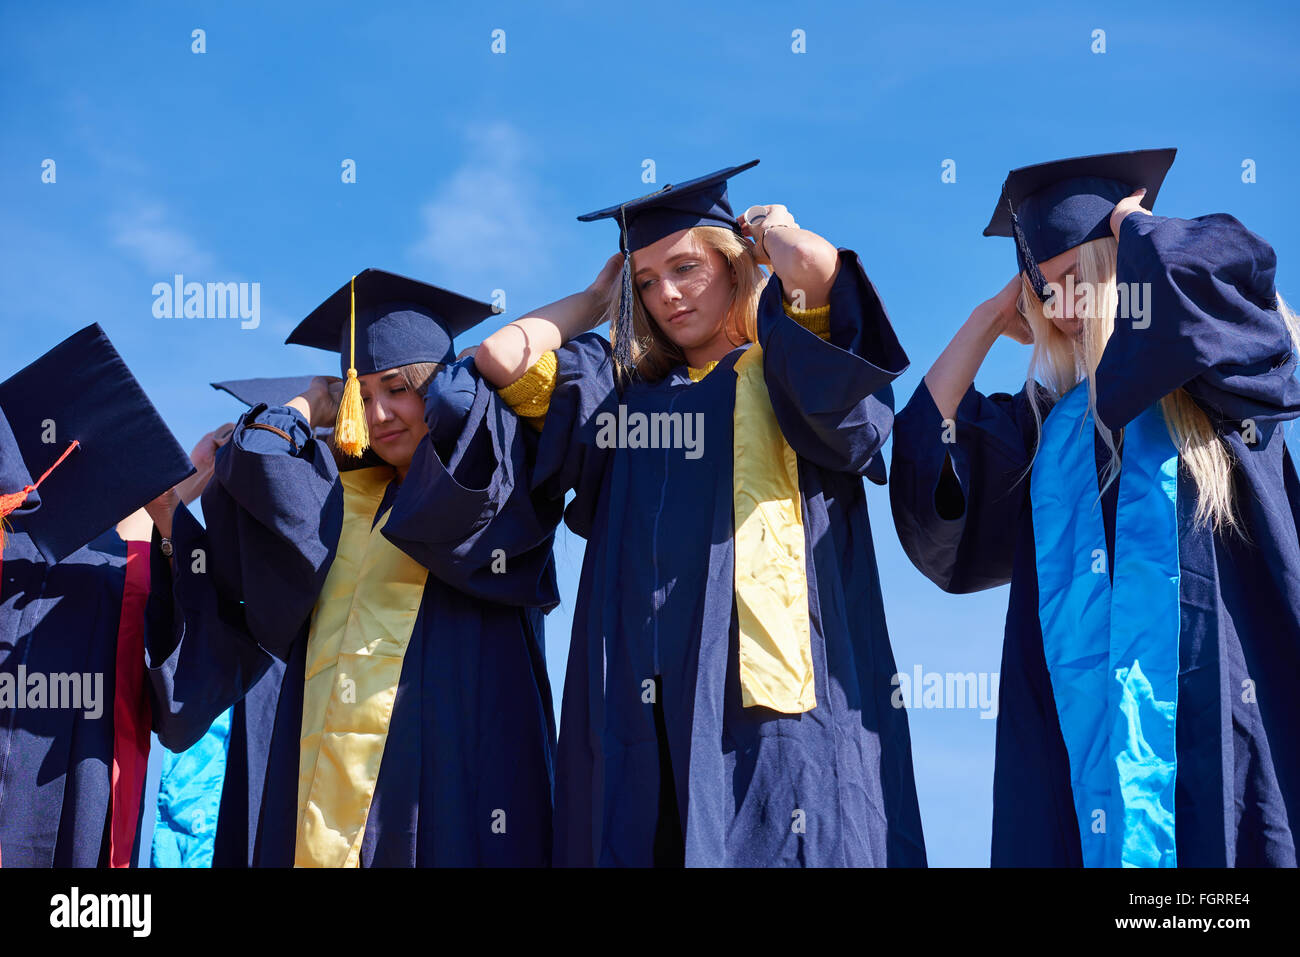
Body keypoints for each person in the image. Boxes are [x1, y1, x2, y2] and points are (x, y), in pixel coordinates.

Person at [421, 160, 926, 866]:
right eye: (647, 282)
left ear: (732, 263)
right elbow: (498, 359)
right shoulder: (617, 398)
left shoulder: (782, 365)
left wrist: (771, 233)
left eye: (687, 268)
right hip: (637, 703)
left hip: (766, 696)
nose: (668, 295)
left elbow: (814, 266)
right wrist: (594, 304)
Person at [890, 148, 1300, 867]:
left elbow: (1217, 275)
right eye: (1043, 291)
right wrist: (990, 316)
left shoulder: (1214, 382)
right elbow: (929, 454)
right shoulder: (1049, 431)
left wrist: (1130, 223)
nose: (1061, 306)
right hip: (1082, 753)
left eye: (1076, 277)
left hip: (1217, 717)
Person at [144, 270, 557, 867]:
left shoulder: (489, 488)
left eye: (398, 388)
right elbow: (258, 464)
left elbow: (491, 384)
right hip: (326, 789)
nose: (381, 413)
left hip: (453, 776)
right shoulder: (334, 506)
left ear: (437, 389)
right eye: (360, 399)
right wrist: (309, 401)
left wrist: (598, 301)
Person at [0, 323, 195, 867]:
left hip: (80, 806)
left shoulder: (136, 568)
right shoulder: (8, 544)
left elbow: (182, 704)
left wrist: (173, 518)